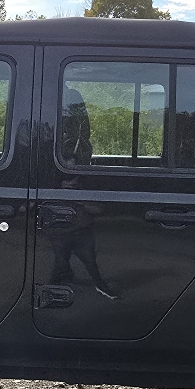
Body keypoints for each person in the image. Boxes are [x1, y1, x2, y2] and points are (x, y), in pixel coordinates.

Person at [50, 89, 117, 299]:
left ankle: (100, 285)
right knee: (59, 259)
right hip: (60, 229)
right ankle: (56, 284)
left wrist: (78, 198)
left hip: (82, 230)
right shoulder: (53, 184)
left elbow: (99, 209)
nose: (70, 178)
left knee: (90, 260)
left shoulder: (86, 183)